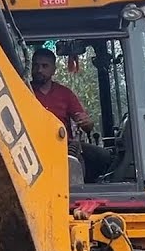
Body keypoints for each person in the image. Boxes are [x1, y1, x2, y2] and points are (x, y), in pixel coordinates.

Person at [29, 47, 111, 182]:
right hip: (31, 146)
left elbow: (86, 124)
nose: (39, 70)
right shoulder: (23, 90)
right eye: (36, 65)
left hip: (63, 147)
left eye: (44, 66)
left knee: (103, 156)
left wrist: (86, 123)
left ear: (53, 70)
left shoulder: (65, 93)